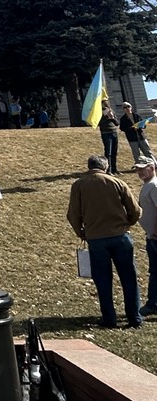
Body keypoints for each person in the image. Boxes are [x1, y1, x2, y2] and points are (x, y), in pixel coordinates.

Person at [67, 155, 142, 328]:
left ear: (89, 167)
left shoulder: (78, 185)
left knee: (102, 280)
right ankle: (134, 318)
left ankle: (109, 318)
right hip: (120, 236)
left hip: (96, 239)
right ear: (106, 167)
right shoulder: (117, 182)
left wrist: (82, 233)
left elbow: (73, 214)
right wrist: (127, 223)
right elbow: (136, 210)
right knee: (129, 278)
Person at [135, 156, 157, 317]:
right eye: (137, 169)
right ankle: (153, 303)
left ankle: (152, 304)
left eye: (143, 168)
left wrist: (156, 231)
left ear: (152, 167)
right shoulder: (149, 185)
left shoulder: (154, 186)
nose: (140, 171)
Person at [98, 100, 121, 174]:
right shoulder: (99, 112)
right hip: (106, 133)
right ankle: (108, 170)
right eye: (103, 102)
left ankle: (114, 169)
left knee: (114, 152)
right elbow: (98, 123)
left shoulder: (111, 111)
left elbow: (117, 123)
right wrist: (106, 117)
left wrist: (112, 118)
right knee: (108, 152)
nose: (105, 103)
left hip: (114, 132)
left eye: (106, 102)